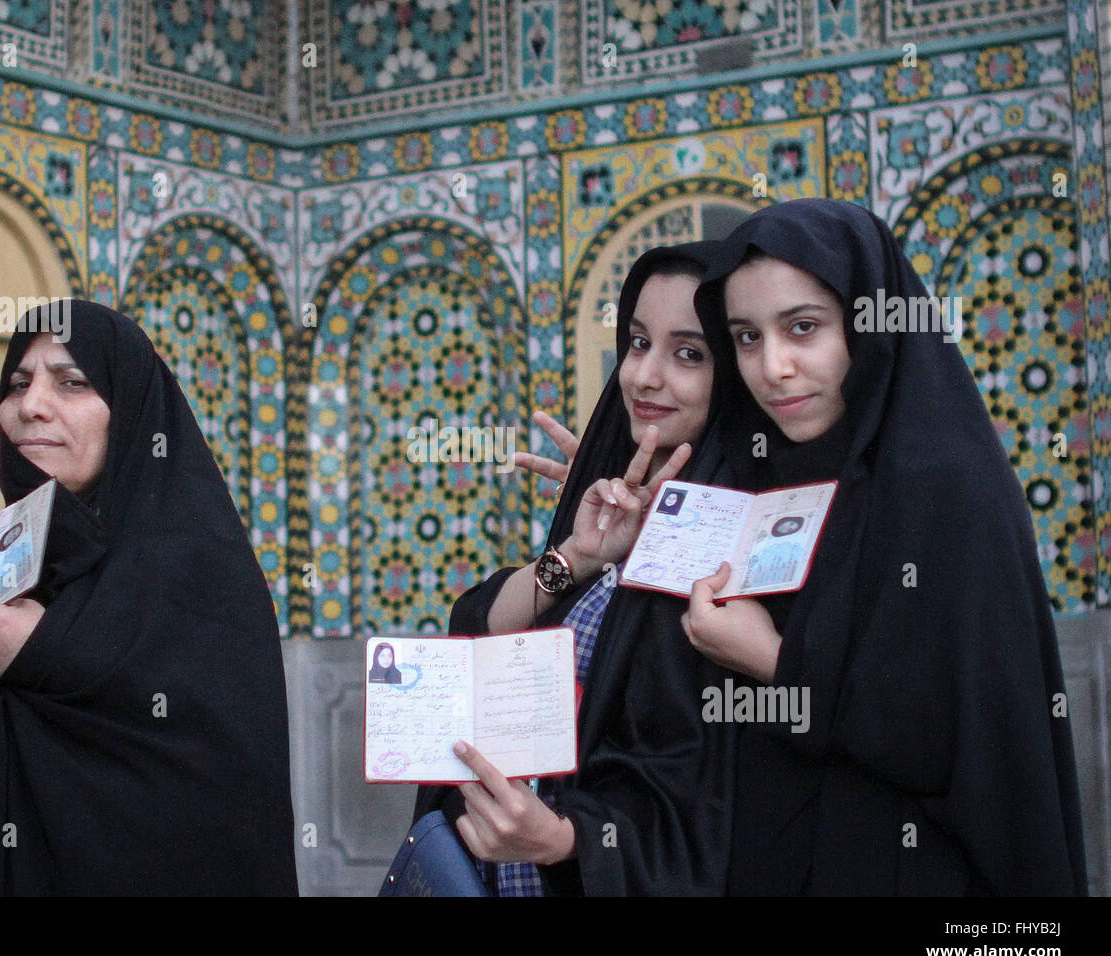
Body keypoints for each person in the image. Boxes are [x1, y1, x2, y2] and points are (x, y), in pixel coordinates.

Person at [0, 300, 298, 895]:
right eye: (18, 383)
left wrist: (47, 657)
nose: (30, 405)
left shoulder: (204, 578)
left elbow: (214, 796)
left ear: (129, 413)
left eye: (72, 383)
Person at [685, 198, 1087, 894]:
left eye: (803, 328)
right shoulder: (758, 479)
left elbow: (970, 744)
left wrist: (778, 666)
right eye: (746, 338)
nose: (772, 367)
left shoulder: (948, 489)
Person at [412, 242, 738, 895]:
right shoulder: (621, 509)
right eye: (638, 343)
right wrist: (578, 557)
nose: (645, 376)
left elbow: (709, 802)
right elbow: (479, 628)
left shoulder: (739, 544)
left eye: (689, 354)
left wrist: (566, 841)